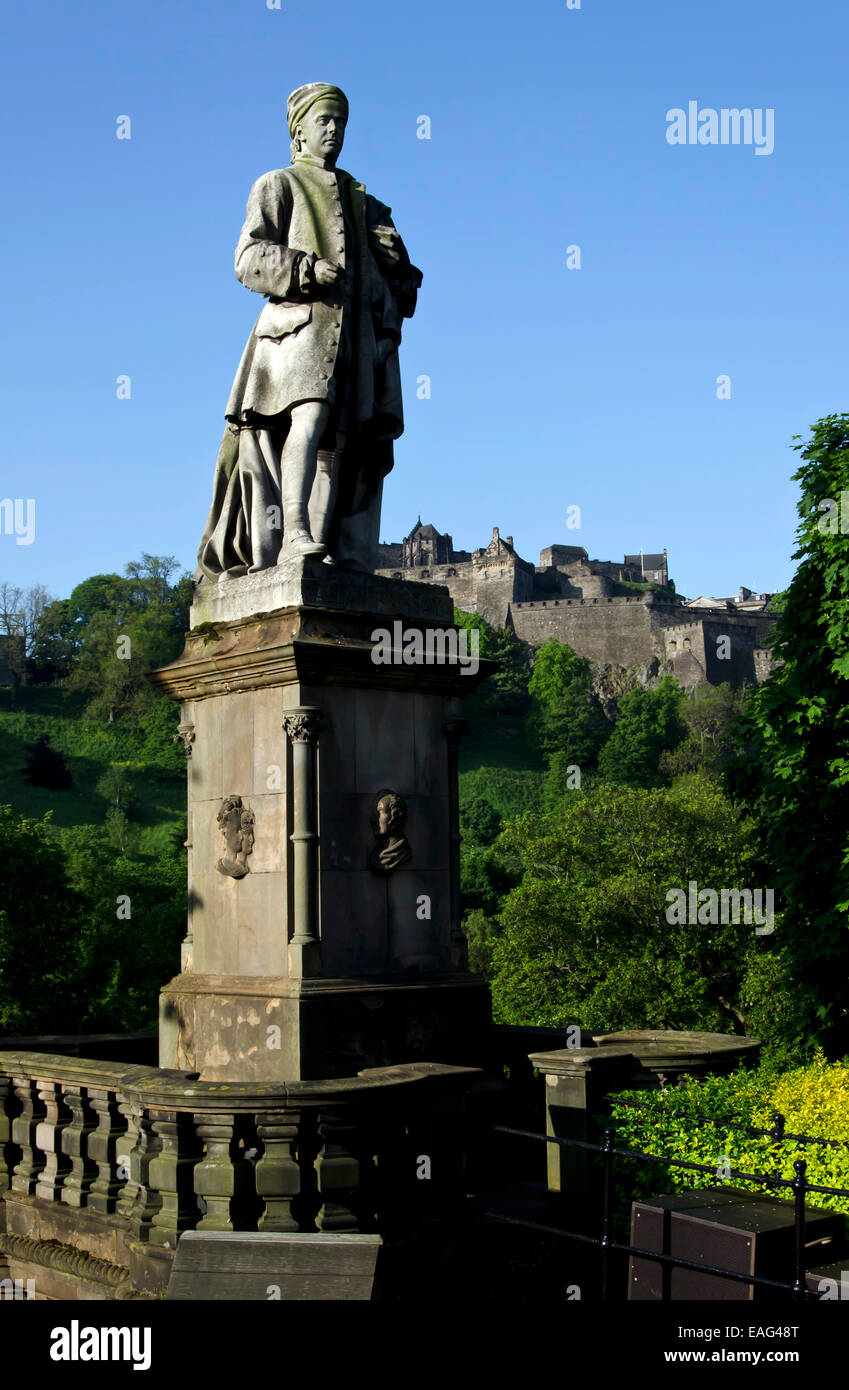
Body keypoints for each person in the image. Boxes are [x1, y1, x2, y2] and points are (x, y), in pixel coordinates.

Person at [197, 82, 422, 579]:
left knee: (339, 443)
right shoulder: (278, 185)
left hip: (353, 345)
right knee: (311, 419)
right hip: (295, 337)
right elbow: (247, 257)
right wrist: (303, 269)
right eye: (324, 121)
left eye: (340, 122)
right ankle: (292, 530)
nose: (334, 130)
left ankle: (321, 545)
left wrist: (394, 261)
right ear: (298, 130)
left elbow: (402, 285)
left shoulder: (365, 202)